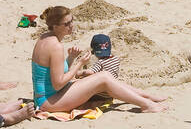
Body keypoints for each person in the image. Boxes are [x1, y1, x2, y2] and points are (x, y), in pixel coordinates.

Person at [30, 6, 167, 113]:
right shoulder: (55, 46)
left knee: (105, 76)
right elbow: (58, 83)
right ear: (55, 26)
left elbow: (53, 72)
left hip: (48, 96)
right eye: (66, 24)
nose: (71, 25)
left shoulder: (45, 38)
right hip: (48, 102)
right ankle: (146, 104)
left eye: (72, 20)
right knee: (103, 78)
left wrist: (70, 58)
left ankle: (146, 97)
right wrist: (79, 64)